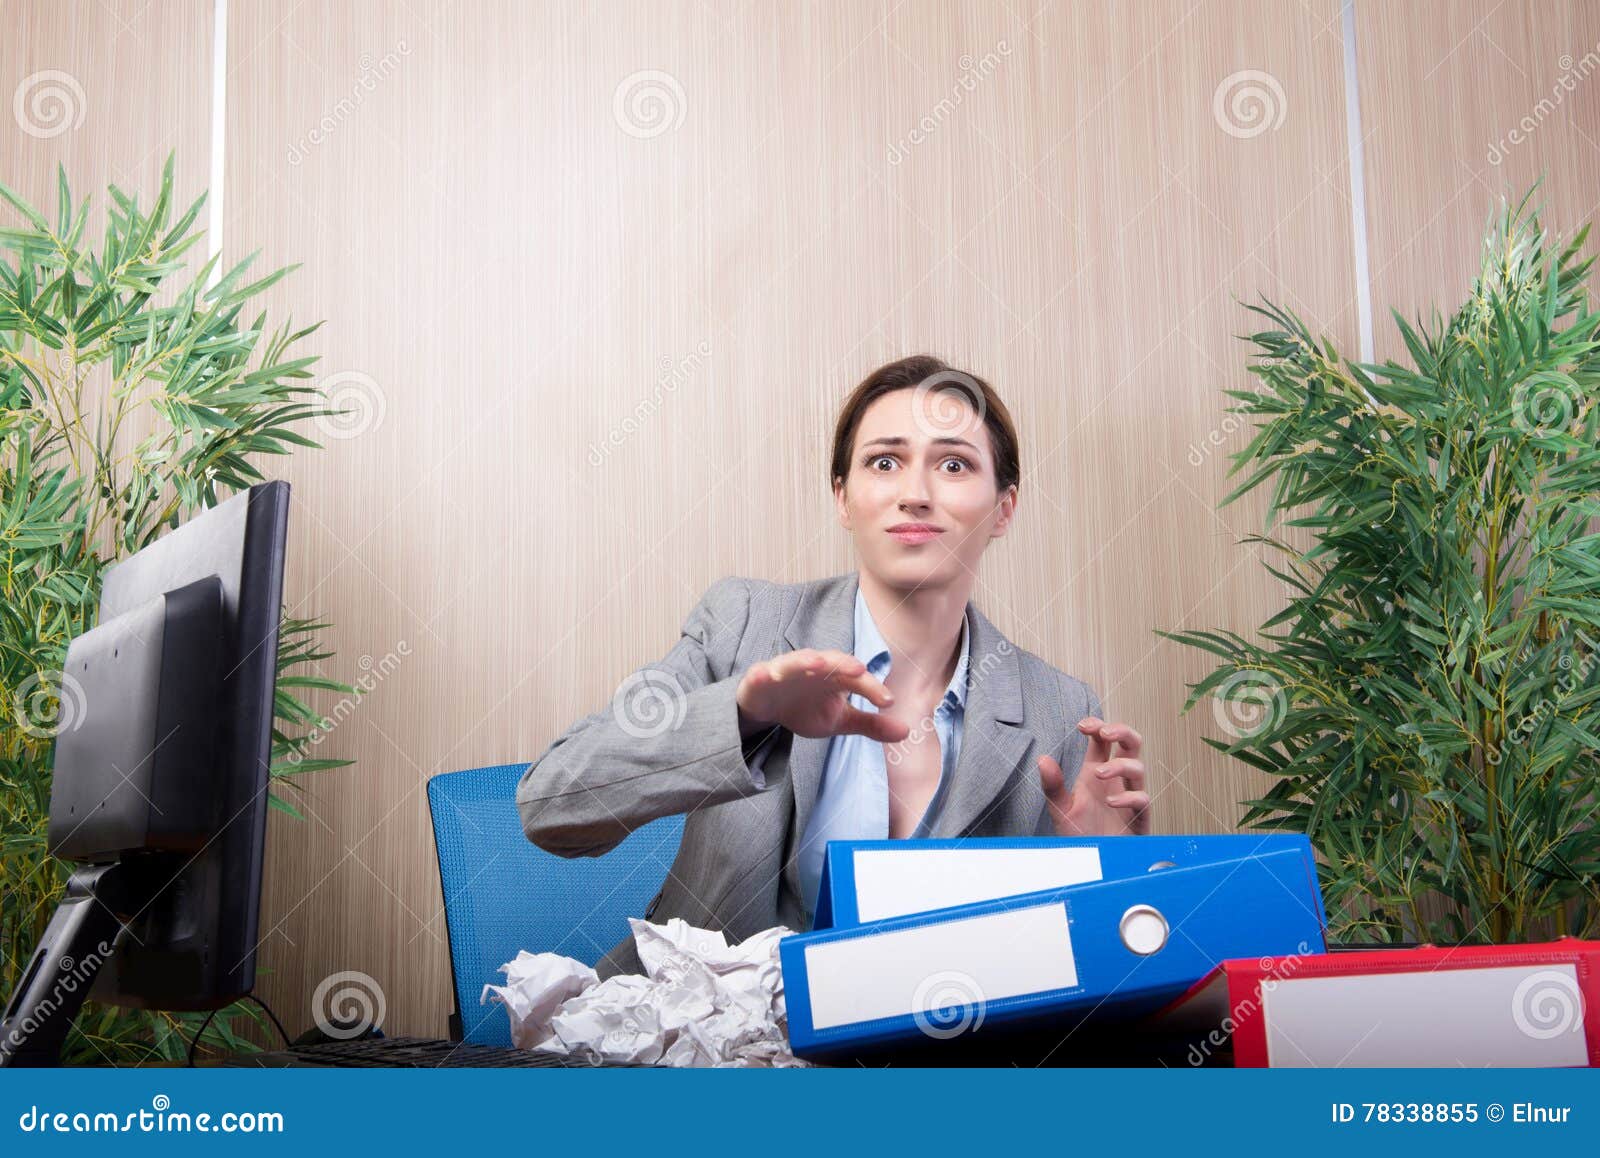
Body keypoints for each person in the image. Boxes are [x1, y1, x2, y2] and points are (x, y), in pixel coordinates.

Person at [517, 354, 1149, 978]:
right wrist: (743, 715)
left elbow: (1083, 980)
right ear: (843, 499)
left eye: (953, 464)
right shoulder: (744, 626)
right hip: (716, 1059)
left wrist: (1104, 875)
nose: (915, 494)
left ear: (1004, 508)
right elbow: (552, 807)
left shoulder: (1061, 711)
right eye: (884, 461)